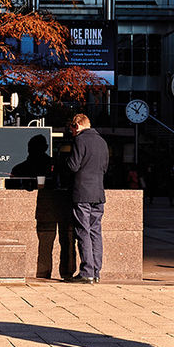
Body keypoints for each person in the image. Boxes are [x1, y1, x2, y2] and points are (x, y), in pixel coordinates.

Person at [64, 112, 109, 284]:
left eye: (72, 129)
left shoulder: (80, 140)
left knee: (83, 231)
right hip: (98, 193)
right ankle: (96, 272)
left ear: (76, 125)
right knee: (96, 232)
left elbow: (73, 166)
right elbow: (104, 168)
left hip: (82, 193)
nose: (72, 133)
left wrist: (65, 162)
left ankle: (86, 272)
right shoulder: (102, 142)